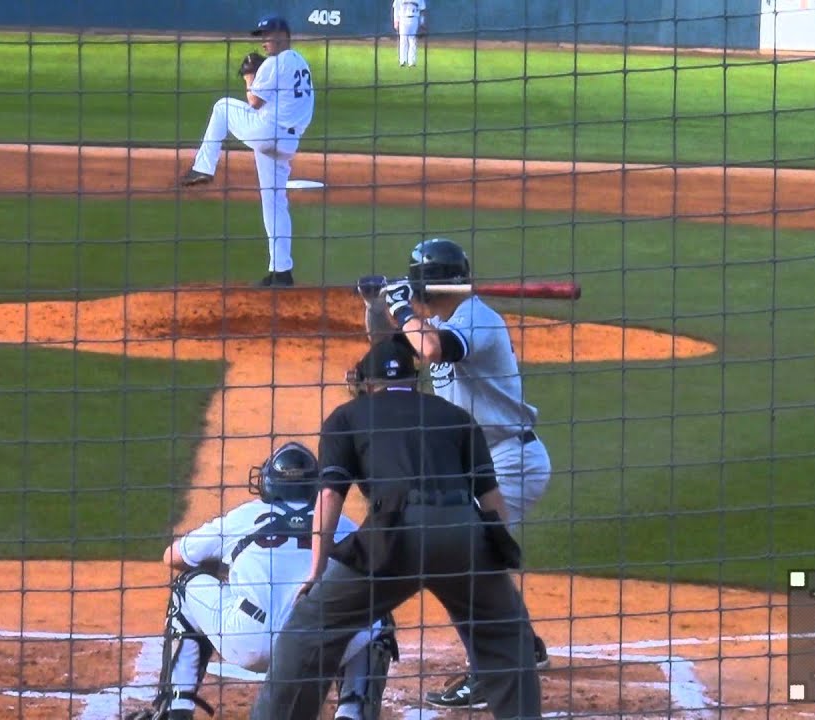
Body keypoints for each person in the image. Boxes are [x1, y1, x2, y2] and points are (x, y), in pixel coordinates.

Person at [249, 338, 543, 720]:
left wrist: (316, 572)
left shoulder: (347, 416)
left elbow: (330, 496)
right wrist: (492, 566)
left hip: (396, 534)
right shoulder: (455, 415)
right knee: (507, 634)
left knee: (310, 627)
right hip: (463, 530)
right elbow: (491, 501)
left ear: (368, 383)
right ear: (414, 379)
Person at [358, 237, 554, 709]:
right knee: (470, 557)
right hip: (477, 464)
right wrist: (377, 306)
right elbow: (388, 349)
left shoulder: (475, 319)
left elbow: (430, 350)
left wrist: (403, 308)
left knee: (460, 558)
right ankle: (523, 644)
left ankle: (491, 672)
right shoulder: (443, 320)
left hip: (509, 460)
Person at [127, 442, 398, 720]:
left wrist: (226, 567)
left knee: (185, 586)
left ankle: (175, 709)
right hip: (318, 644)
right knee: (375, 607)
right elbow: (377, 570)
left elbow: (173, 557)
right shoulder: (341, 522)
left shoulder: (244, 516)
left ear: (268, 482)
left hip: (249, 640)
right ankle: (352, 712)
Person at [180, 14, 314, 288]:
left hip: (268, 134)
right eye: (262, 36)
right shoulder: (301, 62)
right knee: (275, 203)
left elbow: (253, 101)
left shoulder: (276, 63)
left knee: (222, 108)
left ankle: (203, 168)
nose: (264, 41)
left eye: (268, 35)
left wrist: (249, 76)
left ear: (283, 35)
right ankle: (281, 271)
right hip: (288, 143)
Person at [392, 0, 426, 67]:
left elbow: (422, 10)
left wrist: (422, 22)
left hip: (414, 18)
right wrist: (396, 21)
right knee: (403, 40)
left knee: (413, 40)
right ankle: (402, 61)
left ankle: (412, 62)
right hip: (403, 18)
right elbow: (396, 8)